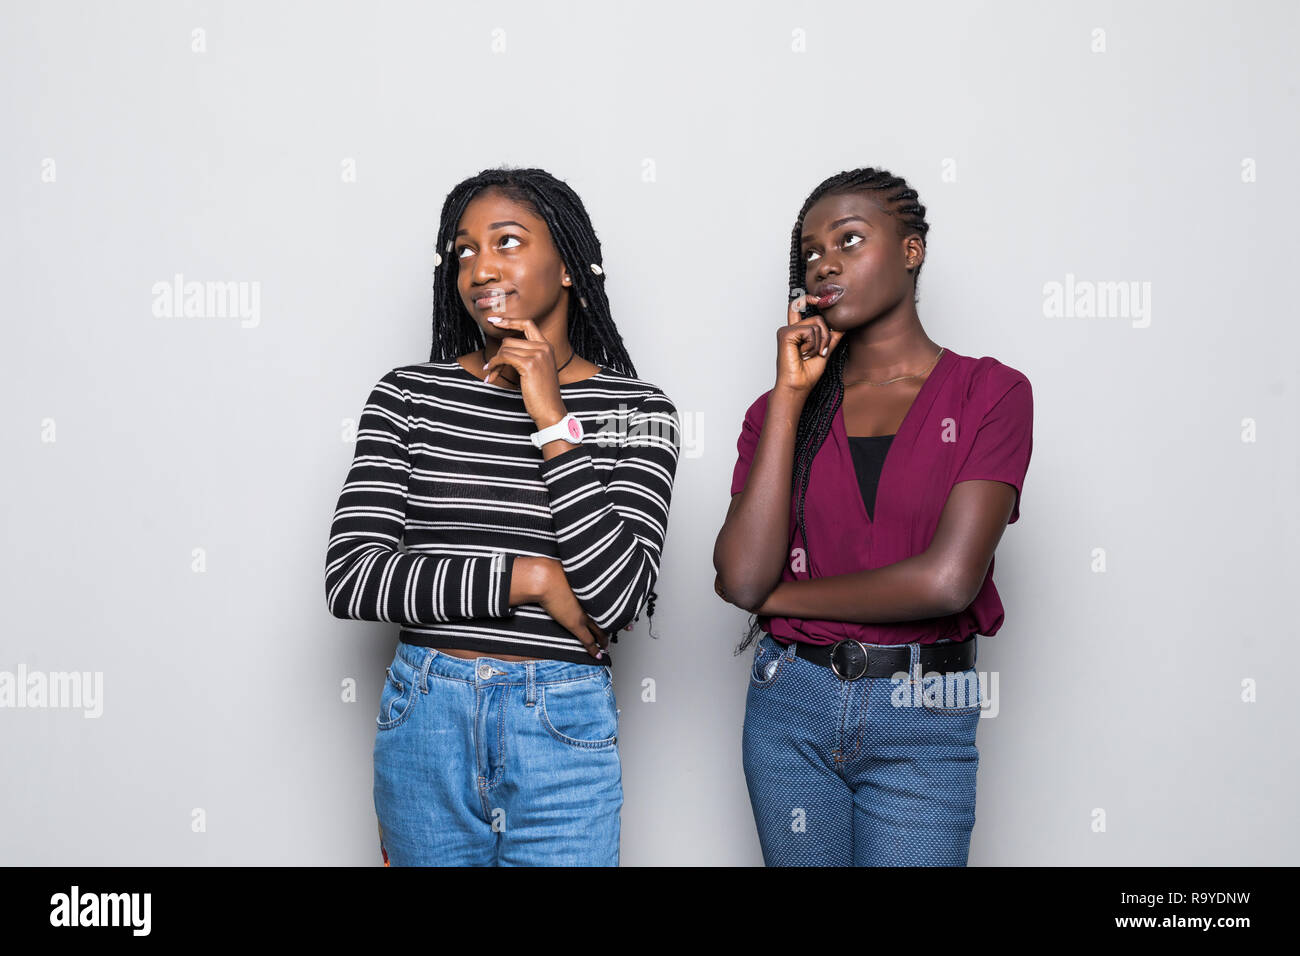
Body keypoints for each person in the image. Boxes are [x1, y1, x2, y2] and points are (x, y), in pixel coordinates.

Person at [326, 167, 680, 866]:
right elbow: (353, 580)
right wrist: (530, 578)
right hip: (425, 713)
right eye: (464, 250)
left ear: (570, 266)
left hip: (561, 720)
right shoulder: (409, 396)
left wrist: (551, 417)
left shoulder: (641, 414)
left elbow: (614, 599)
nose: (480, 267)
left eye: (507, 241)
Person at [713, 166, 1033, 867]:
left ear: (912, 250)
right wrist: (792, 395)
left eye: (849, 240)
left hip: (924, 706)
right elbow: (740, 578)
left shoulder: (990, 393)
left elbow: (948, 582)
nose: (825, 263)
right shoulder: (776, 415)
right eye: (811, 255)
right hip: (788, 703)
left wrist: (782, 599)